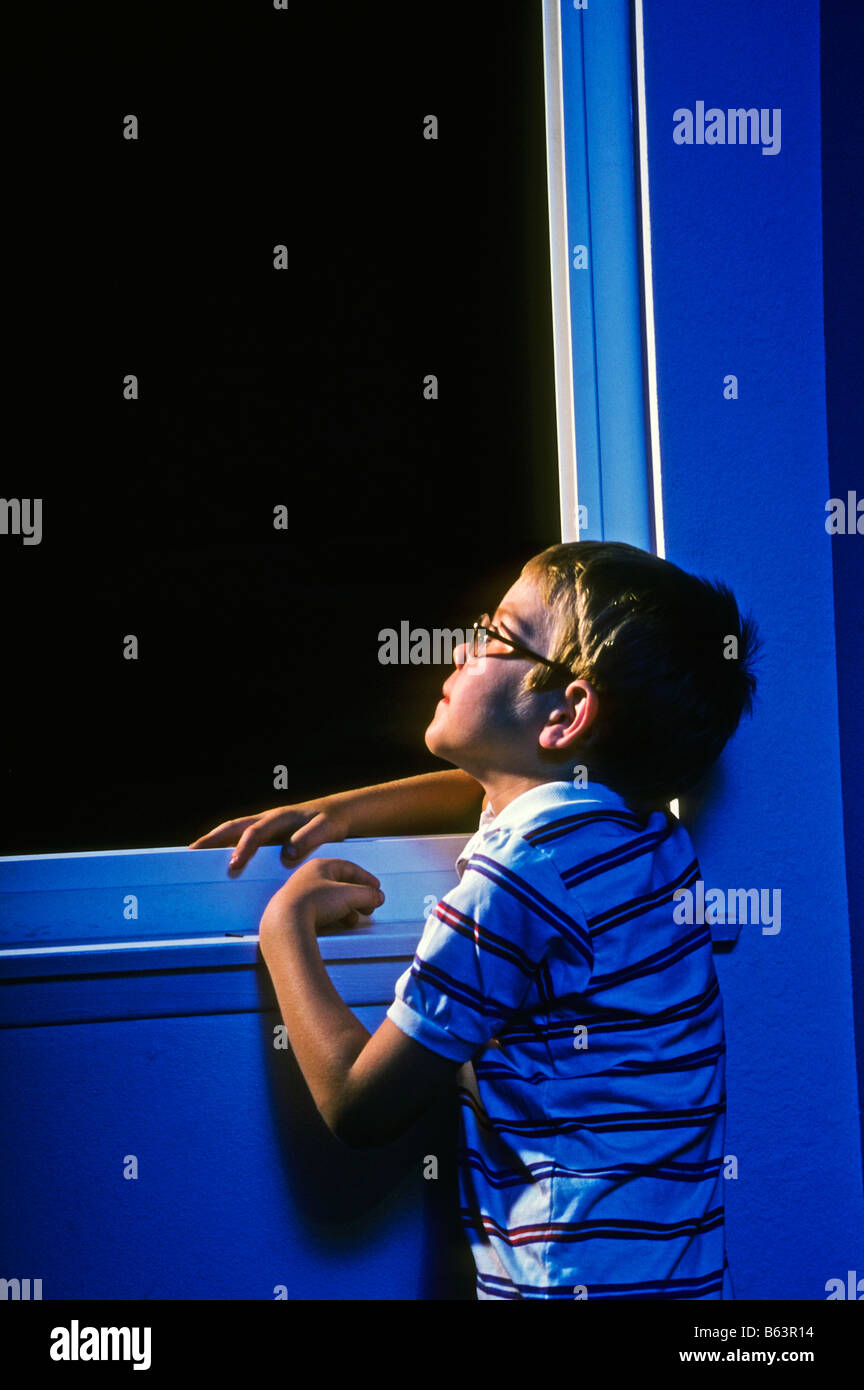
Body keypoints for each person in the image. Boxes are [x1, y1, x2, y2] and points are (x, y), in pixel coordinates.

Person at [189, 540, 760, 1300]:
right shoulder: (644, 837)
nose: (463, 645)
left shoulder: (516, 879)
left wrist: (283, 924)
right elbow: (497, 795)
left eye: (497, 635)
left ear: (567, 713)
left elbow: (360, 1106)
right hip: (678, 1281)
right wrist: (342, 811)